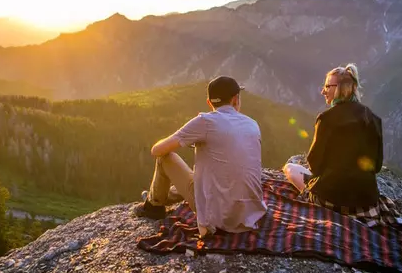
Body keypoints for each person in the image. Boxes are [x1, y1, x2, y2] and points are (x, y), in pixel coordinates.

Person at [133, 76, 267, 236]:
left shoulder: (205, 121)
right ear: (235, 100)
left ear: (210, 103)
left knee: (165, 158)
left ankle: (154, 205)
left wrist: (194, 134)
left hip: (219, 217)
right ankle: (162, 197)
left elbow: (157, 150)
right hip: (250, 214)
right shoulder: (252, 124)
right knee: (208, 174)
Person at [283, 63, 383, 213]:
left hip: (332, 198)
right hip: (367, 201)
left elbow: (315, 165)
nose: (323, 91)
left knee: (290, 168)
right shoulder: (373, 118)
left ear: (339, 88)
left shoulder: (326, 119)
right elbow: (377, 166)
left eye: (327, 86)